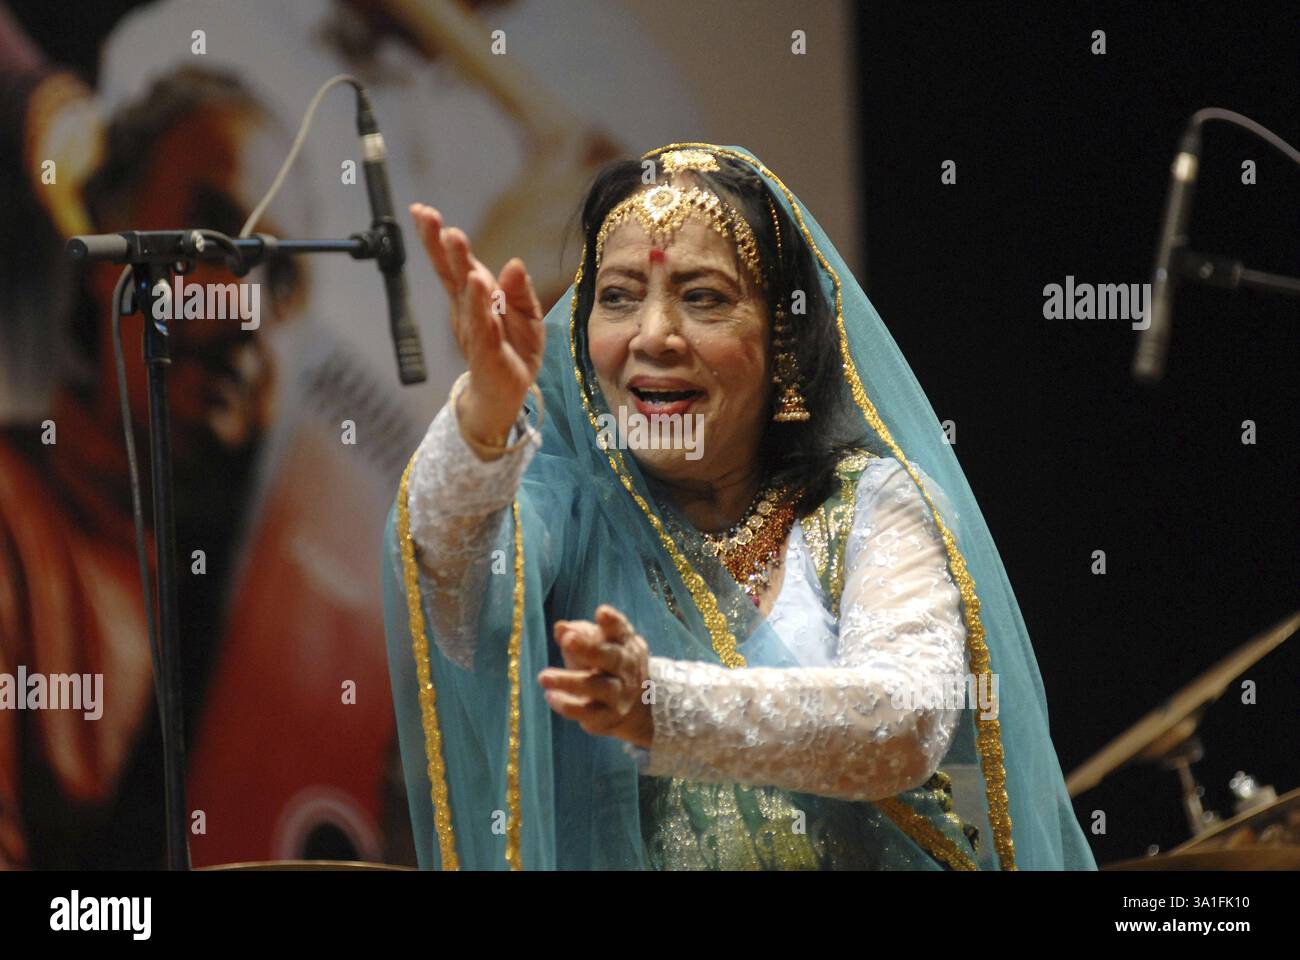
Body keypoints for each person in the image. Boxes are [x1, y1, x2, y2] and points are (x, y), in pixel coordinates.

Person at [381, 143, 1096, 870]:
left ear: (783, 337)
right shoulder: (563, 509)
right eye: (620, 296)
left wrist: (661, 706)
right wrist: (483, 416)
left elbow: (904, 722)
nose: (653, 335)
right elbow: (451, 585)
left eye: (703, 299)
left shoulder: (865, 506)